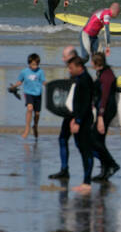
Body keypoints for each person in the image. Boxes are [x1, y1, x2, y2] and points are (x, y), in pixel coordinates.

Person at [66, 52, 96, 193]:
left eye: (71, 68)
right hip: (79, 118)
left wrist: (78, 121)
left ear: (79, 67)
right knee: (81, 148)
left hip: (84, 120)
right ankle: (86, 182)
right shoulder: (80, 78)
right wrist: (73, 118)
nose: (69, 70)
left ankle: (87, 183)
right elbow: (77, 103)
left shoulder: (85, 80)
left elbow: (84, 104)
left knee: (86, 150)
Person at [49, 44, 79, 181]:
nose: (62, 59)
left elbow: (79, 96)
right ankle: (64, 169)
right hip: (70, 112)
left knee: (83, 144)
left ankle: (108, 164)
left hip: (76, 114)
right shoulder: (72, 69)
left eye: (64, 56)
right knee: (62, 139)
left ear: (72, 57)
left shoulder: (78, 72)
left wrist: (75, 118)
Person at [91, 51, 120, 180]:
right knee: (100, 140)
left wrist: (101, 116)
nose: (90, 63)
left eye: (92, 61)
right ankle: (105, 171)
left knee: (94, 139)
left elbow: (105, 96)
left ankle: (112, 164)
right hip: (103, 110)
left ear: (96, 63)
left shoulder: (107, 76)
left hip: (106, 110)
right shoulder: (103, 72)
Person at [9, 52, 44, 140]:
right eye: (33, 64)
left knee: (37, 114)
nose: (35, 66)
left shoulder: (40, 72)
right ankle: (27, 128)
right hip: (28, 93)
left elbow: (43, 81)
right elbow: (20, 81)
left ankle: (35, 126)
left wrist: (52, 85)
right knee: (29, 108)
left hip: (38, 94)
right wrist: (14, 86)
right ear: (29, 64)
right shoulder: (24, 72)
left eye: (36, 64)